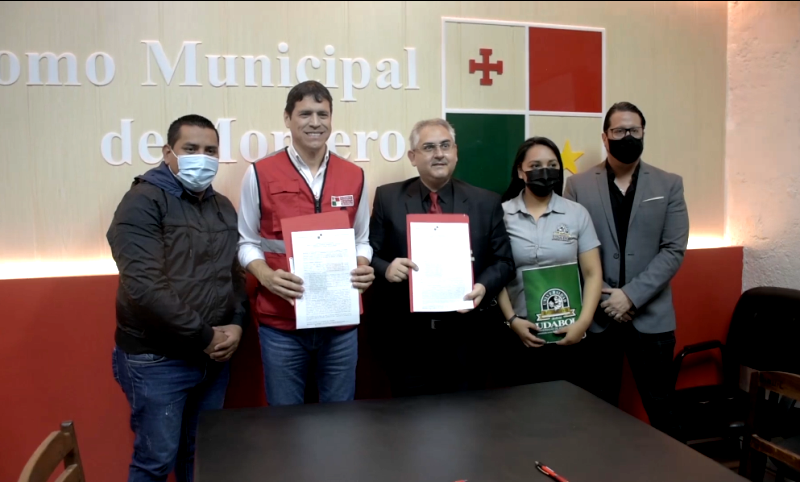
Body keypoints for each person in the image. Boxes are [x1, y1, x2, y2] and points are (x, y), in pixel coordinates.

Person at [107, 114, 248, 482]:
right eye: (191, 148)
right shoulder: (141, 203)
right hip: (158, 360)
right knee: (155, 461)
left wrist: (236, 323)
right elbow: (144, 288)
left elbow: (234, 274)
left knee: (201, 456)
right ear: (168, 152)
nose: (202, 157)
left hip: (213, 358)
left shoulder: (222, 206)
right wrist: (204, 336)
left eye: (210, 151)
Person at [237, 80, 375, 407]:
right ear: (287, 118)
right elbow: (246, 242)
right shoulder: (259, 173)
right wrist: (266, 276)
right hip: (281, 324)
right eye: (305, 114)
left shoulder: (354, 175)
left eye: (322, 114)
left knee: (340, 420)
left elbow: (362, 240)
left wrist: (363, 264)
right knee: (285, 422)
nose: (315, 122)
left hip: (340, 325)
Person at [563, 101, 690, 437]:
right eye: (619, 131)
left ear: (643, 133)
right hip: (598, 317)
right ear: (605, 137)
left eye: (634, 130)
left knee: (662, 408)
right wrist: (608, 298)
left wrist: (630, 296)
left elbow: (673, 250)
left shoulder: (669, 184)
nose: (627, 137)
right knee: (596, 410)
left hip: (651, 317)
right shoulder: (577, 186)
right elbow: (571, 249)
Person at [367, 118, 515, 397]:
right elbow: (368, 252)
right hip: (408, 340)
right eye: (429, 147)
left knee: (465, 418)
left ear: (456, 153)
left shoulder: (485, 202)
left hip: (467, 339)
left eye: (445, 146)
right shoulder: (389, 198)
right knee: (411, 417)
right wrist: (386, 268)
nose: (439, 154)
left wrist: (483, 286)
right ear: (413, 156)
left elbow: (505, 262)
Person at [496, 137, 603, 387]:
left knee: (568, 406)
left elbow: (592, 273)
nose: (544, 171)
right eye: (535, 165)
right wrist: (512, 321)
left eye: (552, 165)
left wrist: (583, 324)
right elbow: (496, 274)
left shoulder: (577, 213)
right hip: (518, 333)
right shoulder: (501, 214)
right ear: (520, 171)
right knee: (518, 407)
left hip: (568, 332)